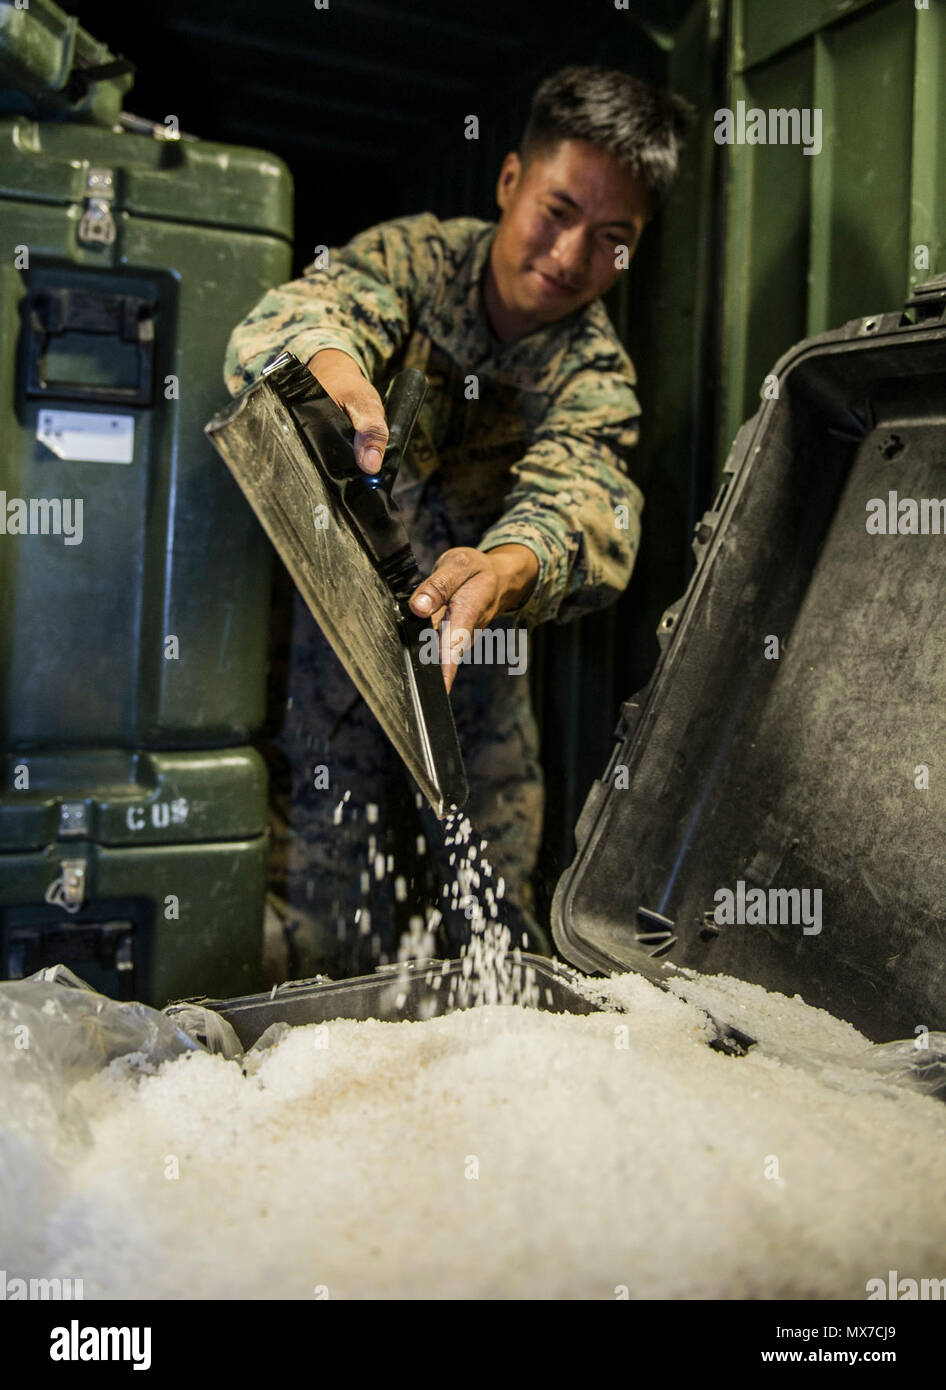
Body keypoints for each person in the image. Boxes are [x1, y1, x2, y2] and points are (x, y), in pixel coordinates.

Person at [223, 65, 693, 979]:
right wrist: (329, 365)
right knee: (323, 918)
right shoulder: (416, 259)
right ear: (510, 180)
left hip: (482, 670)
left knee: (494, 925)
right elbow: (312, 311)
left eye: (611, 239)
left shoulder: (595, 371)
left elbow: (584, 496)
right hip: (336, 653)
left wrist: (508, 566)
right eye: (556, 212)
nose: (567, 258)